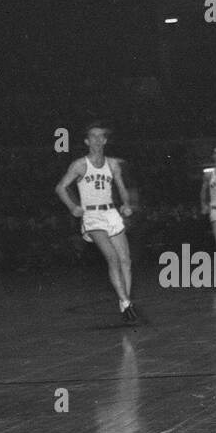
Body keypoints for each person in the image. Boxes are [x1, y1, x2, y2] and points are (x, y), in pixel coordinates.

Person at [55, 123, 137, 324]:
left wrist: (126, 203)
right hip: (92, 217)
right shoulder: (80, 165)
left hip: (110, 212)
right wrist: (72, 207)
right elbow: (60, 187)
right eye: (93, 136)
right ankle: (126, 303)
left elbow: (121, 187)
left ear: (105, 141)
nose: (97, 140)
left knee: (126, 260)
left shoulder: (112, 164)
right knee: (113, 258)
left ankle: (124, 300)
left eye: (101, 137)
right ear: (87, 141)